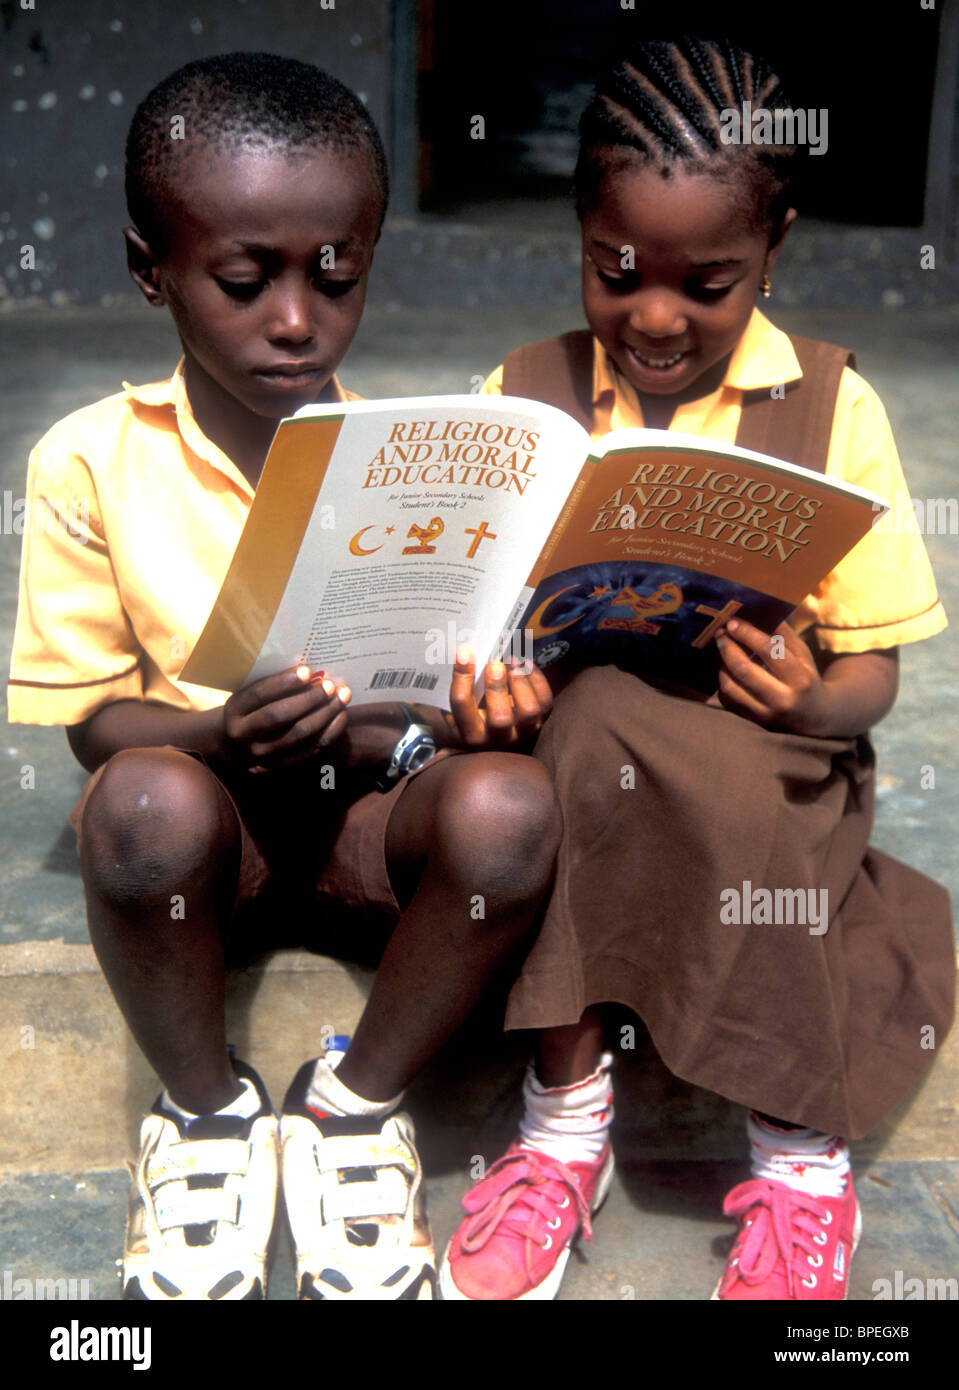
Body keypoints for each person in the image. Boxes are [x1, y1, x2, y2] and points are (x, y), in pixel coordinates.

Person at [7, 51, 559, 1302]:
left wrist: (452, 724)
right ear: (151, 269)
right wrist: (220, 735)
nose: (298, 318)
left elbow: (444, 694)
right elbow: (96, 722)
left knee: (511, 806)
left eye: (338, 274)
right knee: (140, 802)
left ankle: (354, 1108)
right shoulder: (89, 461)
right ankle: (204, 1115)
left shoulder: (420, 459)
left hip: (368, 830)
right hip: (216, 847)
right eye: (245, 280)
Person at [439, 37, 954, 1302]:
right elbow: (466, 620)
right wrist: (478, 680)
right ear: (577, 234)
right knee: (579, 733)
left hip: (764, 757)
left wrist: (812, 695)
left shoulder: (834, 405)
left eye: (707, 283)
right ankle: (563, 1133)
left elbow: (870, 672)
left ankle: (797, 1160)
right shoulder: (522, 392)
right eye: (614, 270)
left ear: (771, 253)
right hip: (575, 744)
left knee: (699, 771)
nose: (652, 315)